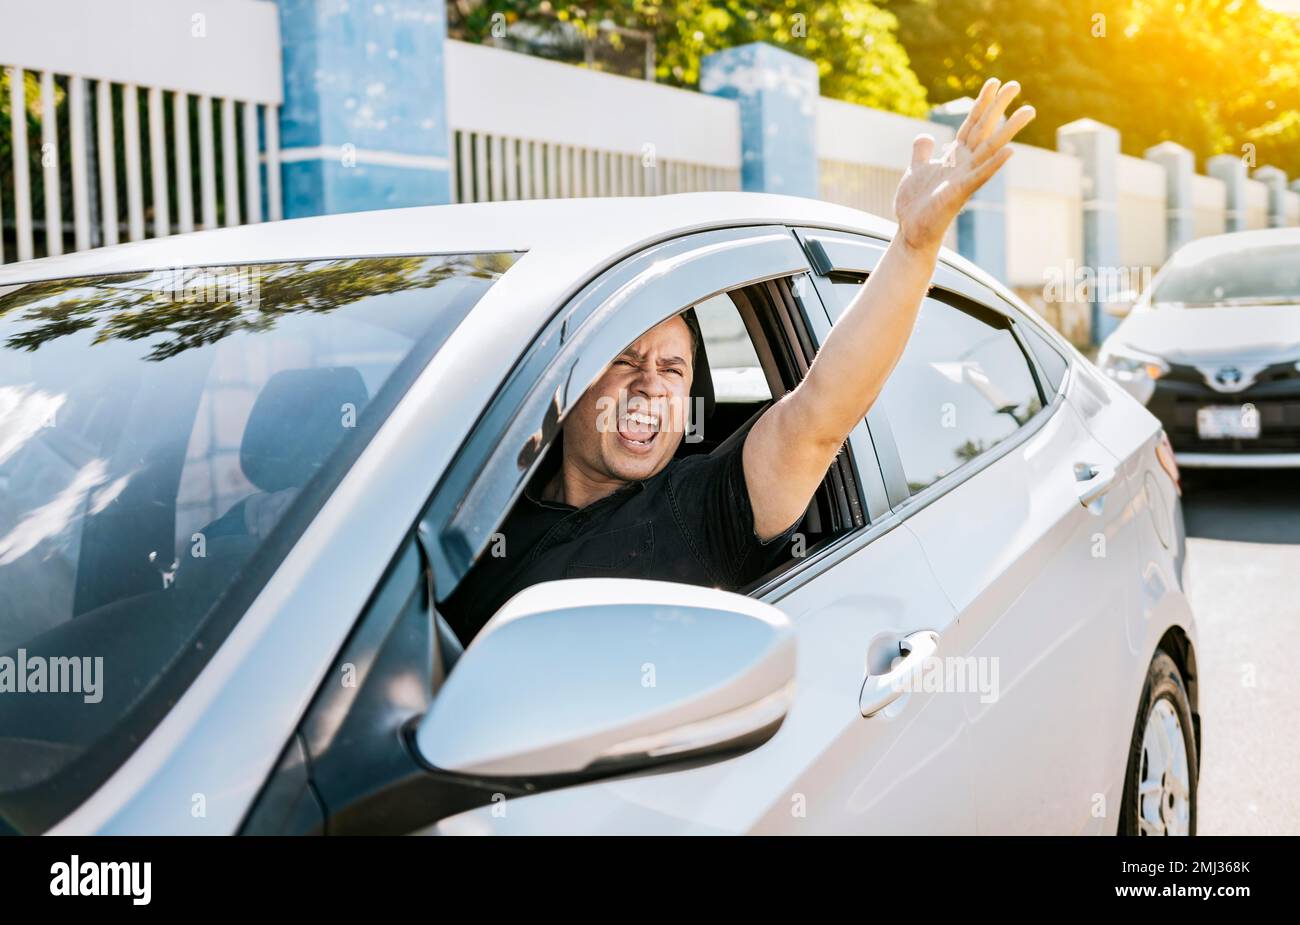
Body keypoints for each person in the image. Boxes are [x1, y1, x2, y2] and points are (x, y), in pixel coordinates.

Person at [441, 78, 1035, 644]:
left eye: (673, 369)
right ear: (568, 389)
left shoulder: (692, 511)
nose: (651, 385)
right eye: (626, 360)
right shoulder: (478, 497)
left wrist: (913, 246)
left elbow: (819, 417)